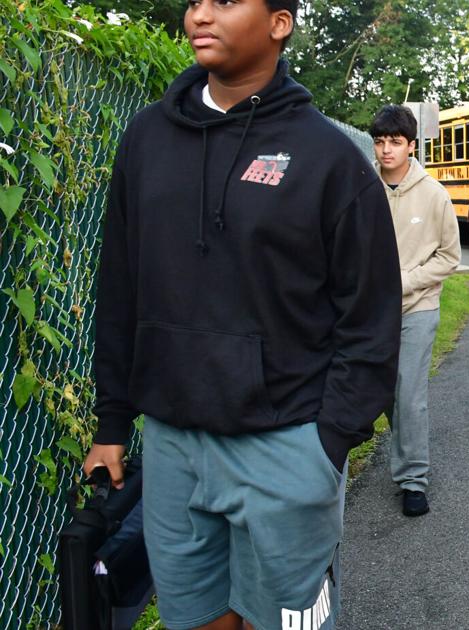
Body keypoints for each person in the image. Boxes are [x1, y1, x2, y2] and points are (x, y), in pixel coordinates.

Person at [83, 1, 402, 628]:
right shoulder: (146, 138)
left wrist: (328, 444)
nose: (200, 15)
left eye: (225, 1)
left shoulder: (328, 157)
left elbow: (370, 317)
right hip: (172, 445)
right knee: (195, 619)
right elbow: (119, 285)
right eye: (195, 1)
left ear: (279, 23)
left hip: (286, 444)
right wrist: (112, 422)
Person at [371, 104, 461, 517]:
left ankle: (413, 480)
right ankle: (404, 453)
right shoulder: (362, 187)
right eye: (380, 142)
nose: (386, 150)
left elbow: (449, 257)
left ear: (411, 145)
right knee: (385, 392)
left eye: (395, 142)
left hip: (417, 307)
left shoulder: (434, 194)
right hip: (371, 311)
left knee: (409, 394)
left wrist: (403, 281)